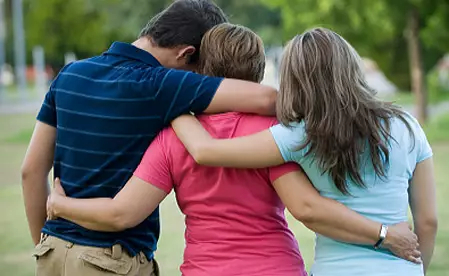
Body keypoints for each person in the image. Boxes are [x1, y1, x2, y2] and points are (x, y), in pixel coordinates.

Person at [48, 24, 421, 275]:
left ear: (201, 70)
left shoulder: (173, 135)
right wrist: (384, 233)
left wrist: (60, 204)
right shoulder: (276, 131)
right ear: (259, 71)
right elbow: (306, 207)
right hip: (276, 267)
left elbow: (121, 213)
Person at [20, 1, 282, 275]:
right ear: (186, 54)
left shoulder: (69, 74)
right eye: (199, 70)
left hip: (51, 251)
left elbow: (30, 171)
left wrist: (45, 245)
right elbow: (268, 98)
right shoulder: (162, 84)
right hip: (111, 260)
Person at [169, 28, 438, 276]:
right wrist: (414, 265)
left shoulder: (300, 136)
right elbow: (427, 222)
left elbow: (205, 151)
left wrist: (173, 105)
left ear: (295, 80)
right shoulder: (406, 125)